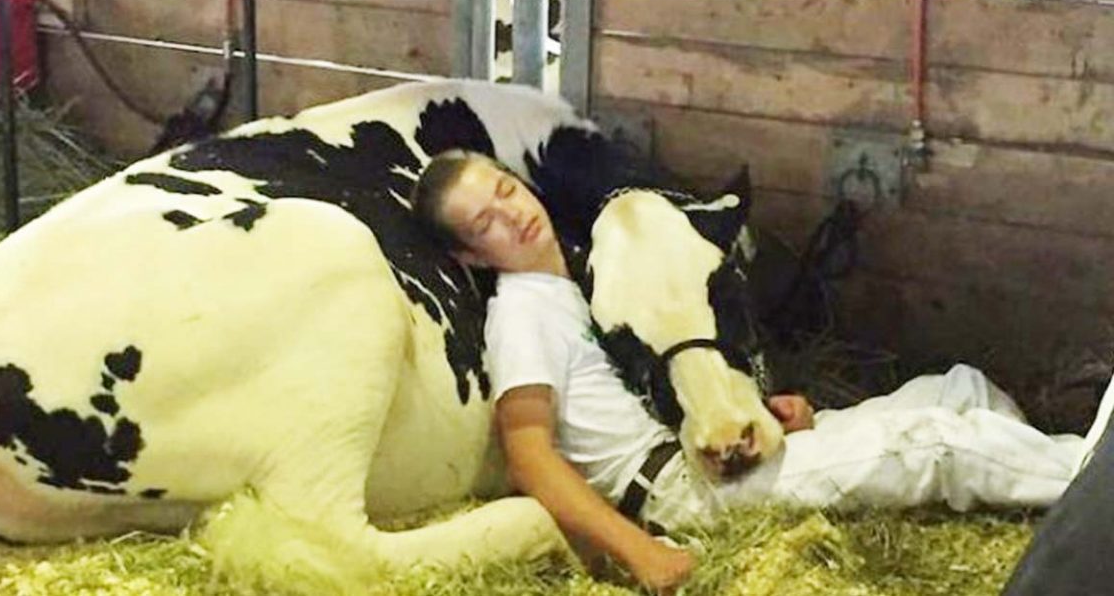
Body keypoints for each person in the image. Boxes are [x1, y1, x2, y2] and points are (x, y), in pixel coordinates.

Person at [409, 149, 1095, 593]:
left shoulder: (588, 271)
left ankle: (1049, 515)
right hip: (678, 492)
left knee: (959, 388)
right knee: (938, 444)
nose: (512, 215)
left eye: (504, 190)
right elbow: (529, 455)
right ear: (470, 257)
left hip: (708, 451)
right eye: (484, 223)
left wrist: (767, 413)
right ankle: (1096, 490)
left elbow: (669, 383)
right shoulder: (523, 314)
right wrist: (639, 552)